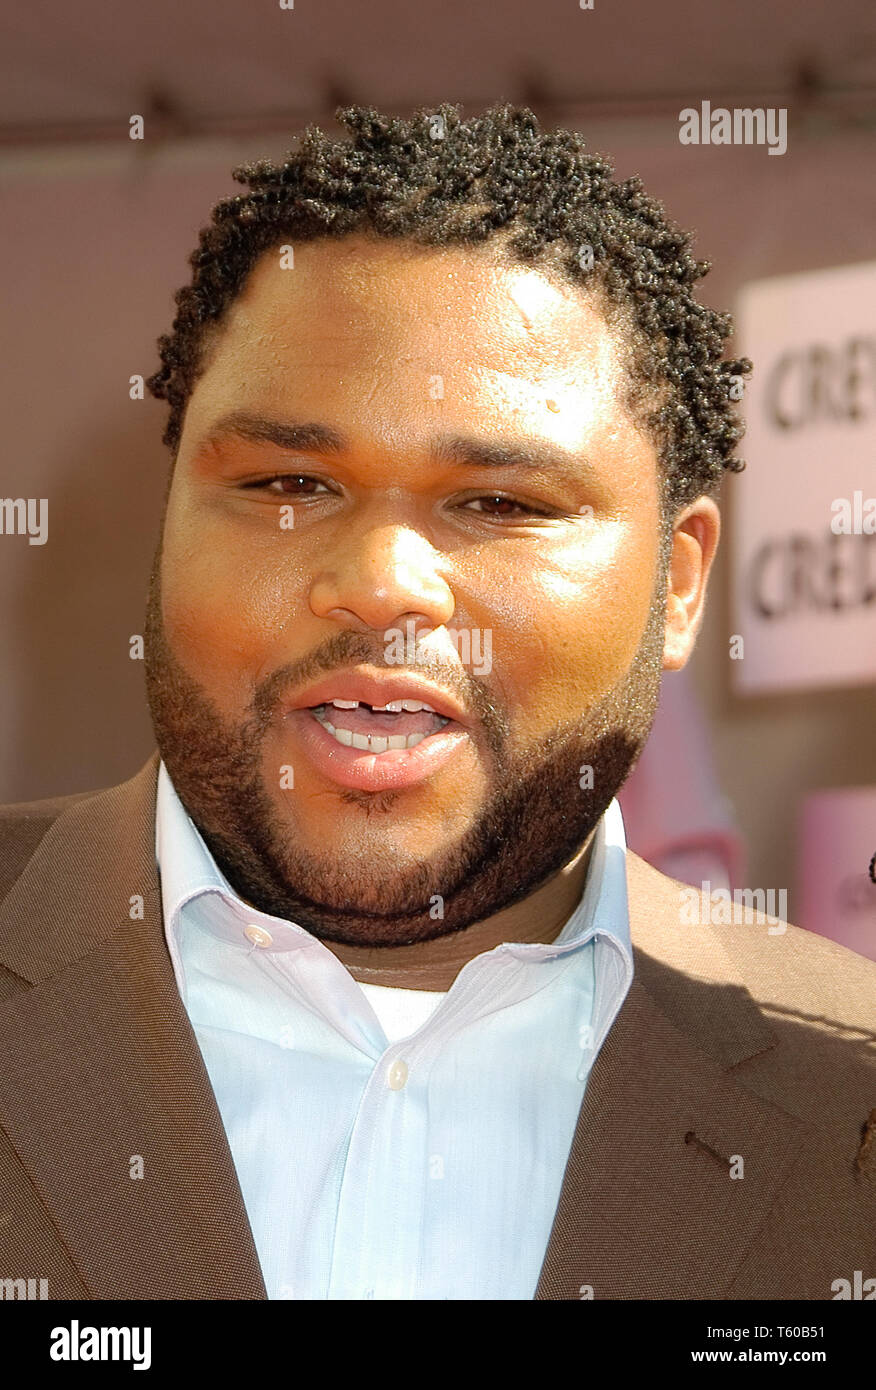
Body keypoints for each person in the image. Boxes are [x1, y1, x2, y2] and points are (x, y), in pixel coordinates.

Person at [0, 104, 872, 1302]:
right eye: (290, 483)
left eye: (500, 503)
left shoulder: (852, 1090)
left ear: (677, 588)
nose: (379, 585)